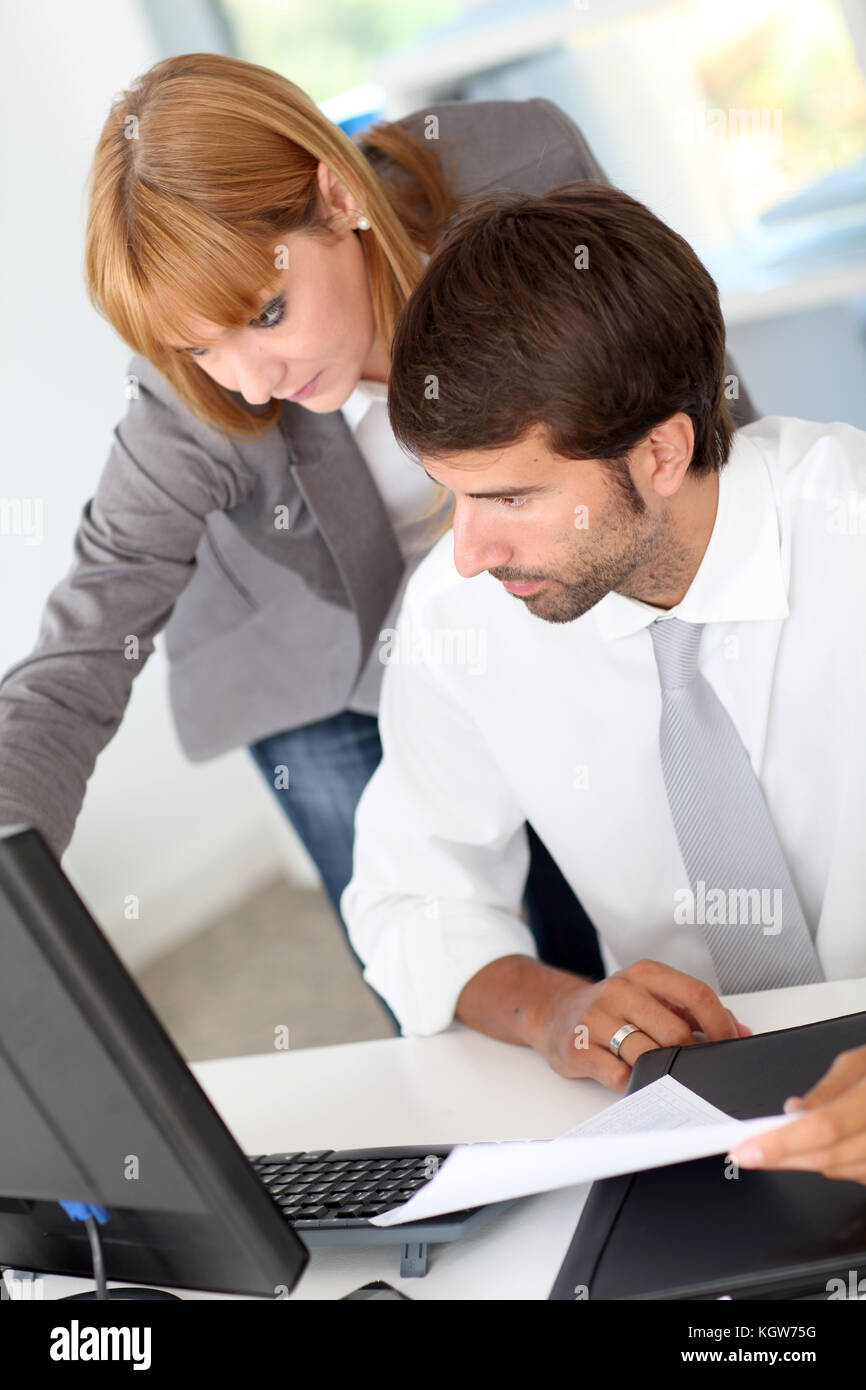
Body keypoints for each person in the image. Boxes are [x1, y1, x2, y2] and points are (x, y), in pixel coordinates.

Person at [0, 54, 762, 1014]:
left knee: (606, 887)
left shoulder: (515, 168)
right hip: (317, 655)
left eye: (265, 314)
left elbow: (673, 364)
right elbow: (72, 662)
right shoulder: (189, 409)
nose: (248, 383)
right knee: (437, 943)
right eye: (198, 347)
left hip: (521, 581)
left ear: (333, 195)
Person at [340, 182, 866, 1186]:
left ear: (660, 452)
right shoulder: (461, 621)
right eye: (448, 496)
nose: (467, 551)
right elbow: (409, 897)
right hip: (697, 1138)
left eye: (509, 496)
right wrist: (556, 1009)